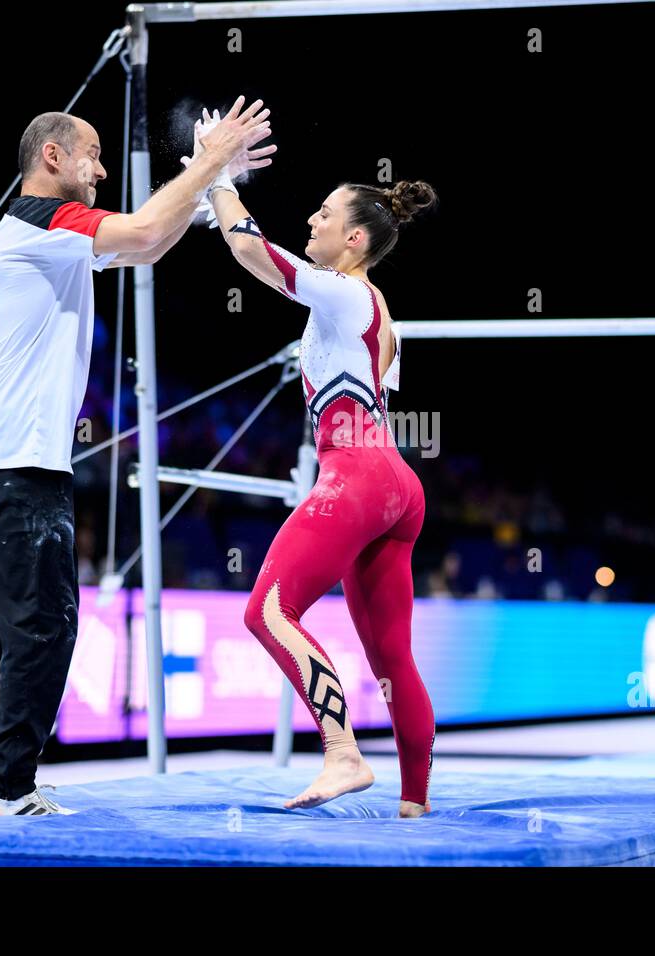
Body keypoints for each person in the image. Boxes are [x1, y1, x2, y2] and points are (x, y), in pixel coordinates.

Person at [0, 98, 274, 815]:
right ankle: (8, 790)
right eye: (93, 153)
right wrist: (209, 161)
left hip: (29, 449)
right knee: (44, 623)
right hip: (15, 448)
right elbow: (144, 226)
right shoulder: (38, 221)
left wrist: (212, 186)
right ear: (52, 156)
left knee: (43, 617)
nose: (104, 167)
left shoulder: (60, 231)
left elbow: (145, 245)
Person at [187, 111, 438, 817]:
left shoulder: (341, 289)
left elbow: (252, 255)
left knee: (268, 611)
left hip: (356, 474)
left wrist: (216, 167)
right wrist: (215, 190)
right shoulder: (377, 305)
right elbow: (242, 237)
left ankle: (343, 753)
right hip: (396, 483)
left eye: (324, 214)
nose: (311, 219)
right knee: (393, 660)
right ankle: (416, 806)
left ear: (354, 239)